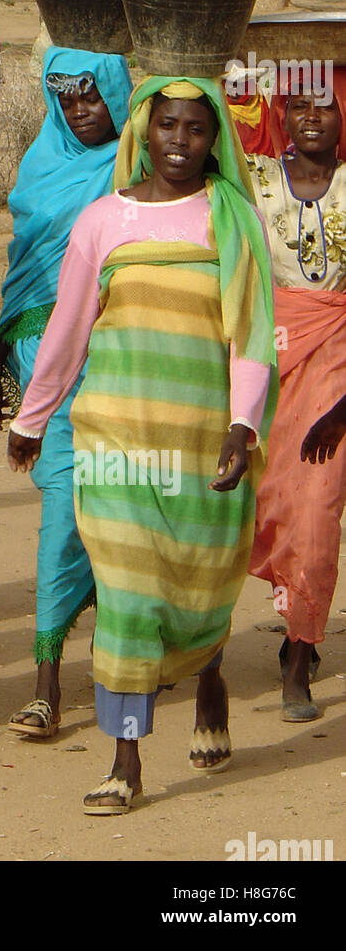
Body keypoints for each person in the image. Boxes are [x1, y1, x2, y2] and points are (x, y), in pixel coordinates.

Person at [7, 78, 277, 813]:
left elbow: (252, 332)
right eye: (168, 128)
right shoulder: (103, 220)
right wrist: (33, 419)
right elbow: (67, 328)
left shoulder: (233, 220)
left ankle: (210, 672)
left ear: (214, 138)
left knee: (197, 578)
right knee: (127, 595)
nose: (181, 143)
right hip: (116, 440)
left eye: (195, 129)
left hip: (203, 439)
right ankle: (124, 759)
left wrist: (243, 426)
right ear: (145, 134)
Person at [0, 49, 132, 741]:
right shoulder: (40, 166)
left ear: (121, 97)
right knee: (62, 510)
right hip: (43, 357)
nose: (79, 111)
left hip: (127, 359)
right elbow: (22, 271)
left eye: (92, 98)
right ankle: (46, 683)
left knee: (124, 506)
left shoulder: (143, 172)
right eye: (67, 100)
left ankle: (124, 654)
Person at [245, 79, 346, 720]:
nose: (310, 116)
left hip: (337, 362)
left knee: (314, 511)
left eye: (326, 104)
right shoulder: (252, 181)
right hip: (264, 356)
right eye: (297, 104)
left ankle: (301, 653)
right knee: (262, 504)